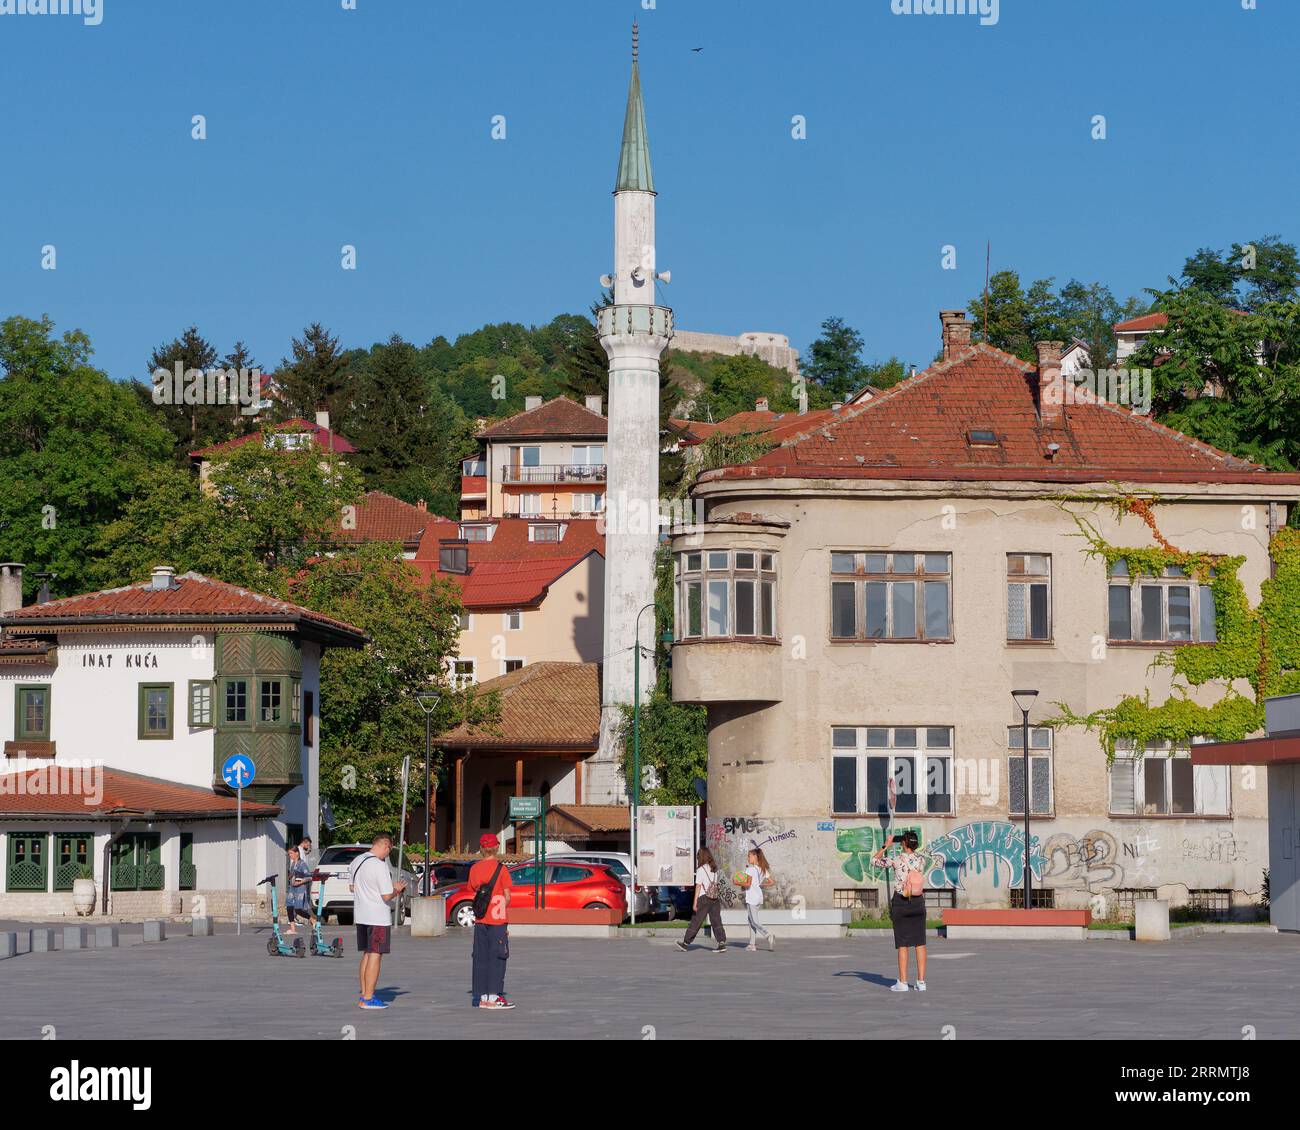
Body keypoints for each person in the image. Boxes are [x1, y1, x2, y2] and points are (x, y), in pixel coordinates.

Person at [348, 833, 406, 1010]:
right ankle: (368, 997)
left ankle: (365, 993)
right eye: (389, 851)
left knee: (366, 953)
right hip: (377, 917)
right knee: (375, 955)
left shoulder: (356, 861)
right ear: (386, 846)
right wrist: (397, 889)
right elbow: (386, 895)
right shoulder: (379, 866)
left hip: (362, 915)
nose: (387, 855)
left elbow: (351, 887)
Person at [871, 831, 928, 992]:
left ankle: (903, 983)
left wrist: (886, 845)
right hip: (918, 901)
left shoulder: (896, 860)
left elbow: (874, 861)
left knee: (903, 943)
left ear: (903, 843)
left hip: (901, 901)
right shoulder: (921, 859)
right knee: (920, 943)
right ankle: (921, 982)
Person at [468, 833, 514, 1010]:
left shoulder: (474, 869)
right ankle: (495, 996)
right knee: (497, 957)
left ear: (481, 849)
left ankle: (482, 996)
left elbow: (473, 890)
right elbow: (507, 896)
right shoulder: (501, 869)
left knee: (480, 957)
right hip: (497, 920)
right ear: (497, 847)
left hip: (480, 919)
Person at [676, 847, 727, 953]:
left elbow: (698, 886)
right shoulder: (714, 869)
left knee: (696, 921)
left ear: (701, 857)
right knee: (716, 921)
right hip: (714, 898)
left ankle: (685, 944)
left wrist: (695, 902)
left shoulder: (700, 870)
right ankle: (721, 943)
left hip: (704, 898)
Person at [738, 847, 775, 952]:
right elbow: (772, 882)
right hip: (759, 897)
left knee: (754, 921)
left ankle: (768, 936)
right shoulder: (762, 869)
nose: (748, 858)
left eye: (749, 856)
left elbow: (747, 884)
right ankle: (752, 944)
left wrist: (736, 882)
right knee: (751, 920)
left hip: (752, 898)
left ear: (755, 856)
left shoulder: (750, 869)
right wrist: (760, 884)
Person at [285, 845, 314, 936]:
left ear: (297, 853)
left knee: (298, 909)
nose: (290, 855)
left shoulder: (302, 864)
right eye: (289, 853)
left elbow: (309, 877)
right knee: (289, 906)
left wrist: (300, 882)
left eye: (291, 853)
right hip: (292, 887)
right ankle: (293, 929)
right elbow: (292, 874)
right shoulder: (293, 864)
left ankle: (313, 920)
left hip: (300, 888)